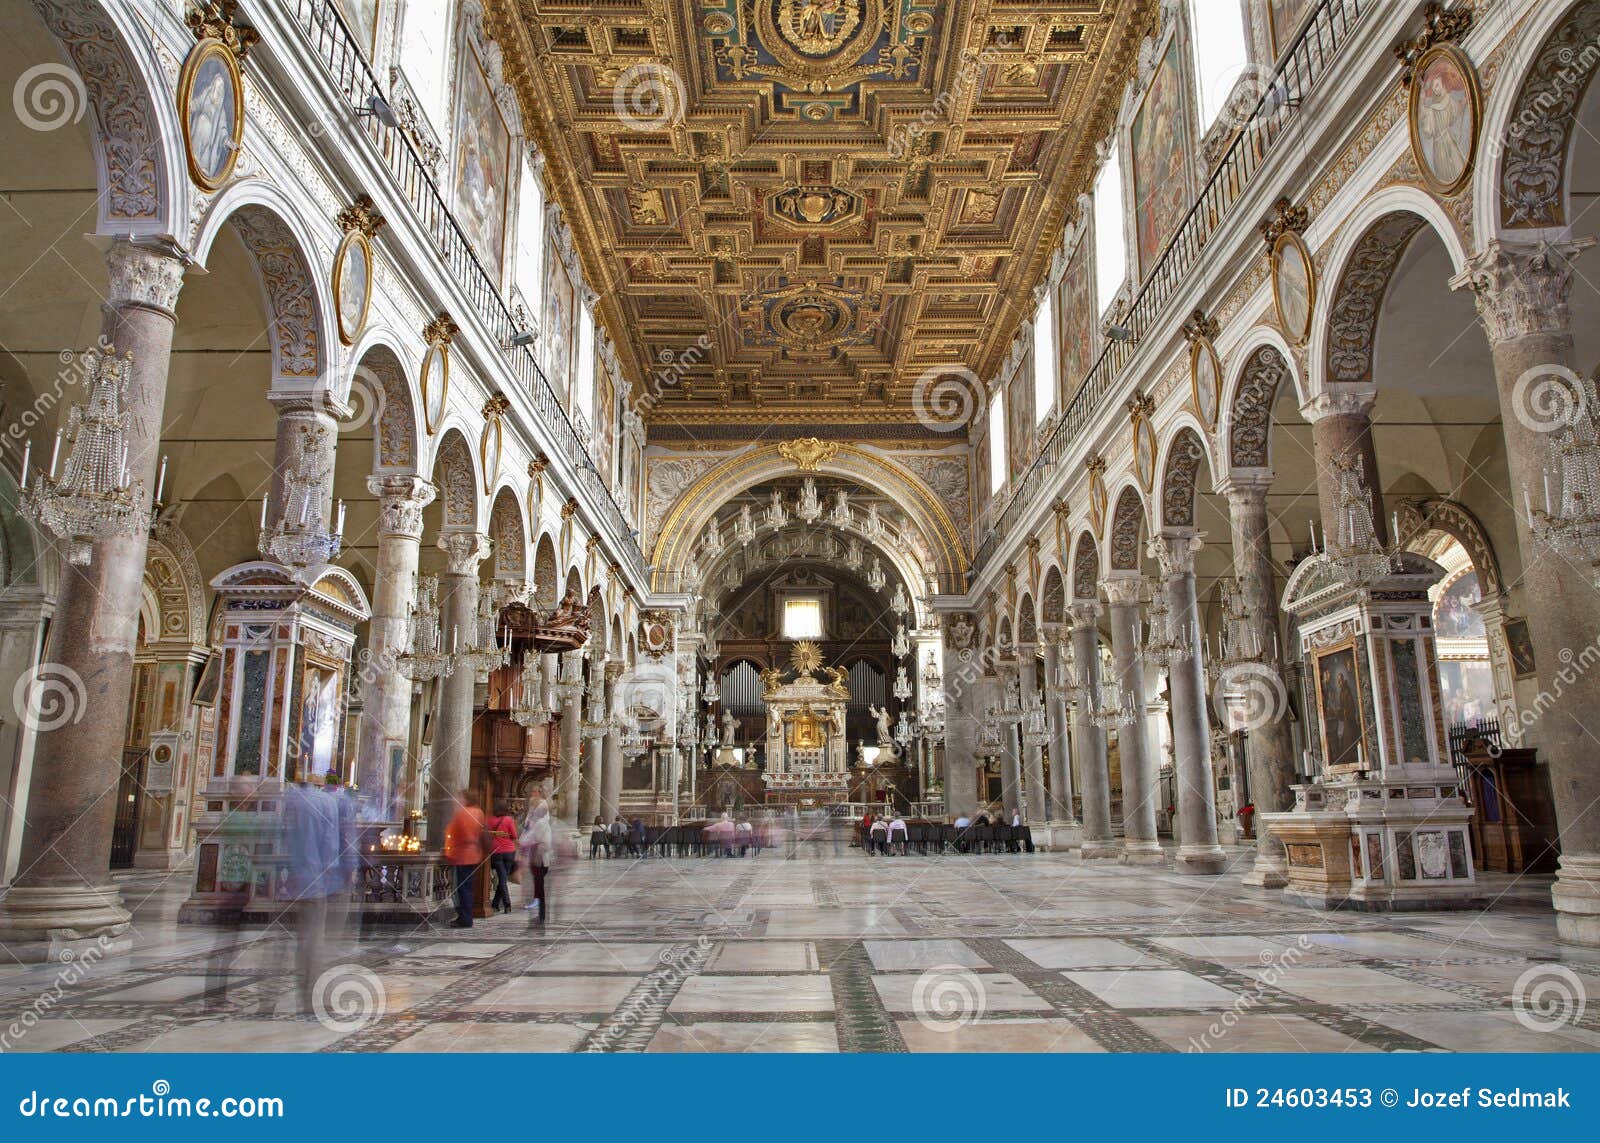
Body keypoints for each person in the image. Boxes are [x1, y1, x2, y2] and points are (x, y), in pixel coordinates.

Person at [443, 790, 486, 928]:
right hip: (474, 854)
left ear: (465, 799)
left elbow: (458, 834)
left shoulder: (463, 813)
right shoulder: (478, 812)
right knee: (467, 887)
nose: (457, 800)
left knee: (462, 888)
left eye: (459, 798)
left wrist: (449, 848)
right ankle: (466, 916)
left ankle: (465, 918)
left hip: (463, 855)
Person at [518, 798, 553, 922]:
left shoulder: (539, 824)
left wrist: (523, 842)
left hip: (539, 859)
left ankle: (542, 915)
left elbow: (529, 839)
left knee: (539, 887)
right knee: (539, 886)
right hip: (542, 858)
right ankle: (541, 913)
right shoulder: (544, 824)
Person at [486, 801, 519, 914]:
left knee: (502, 878)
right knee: (503, 879)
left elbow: (486, 834)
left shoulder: (490, 820)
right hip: (509, 852)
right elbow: (514, 836)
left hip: (496, 852)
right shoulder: (509, 820)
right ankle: (507, 904)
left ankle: (496, 904)